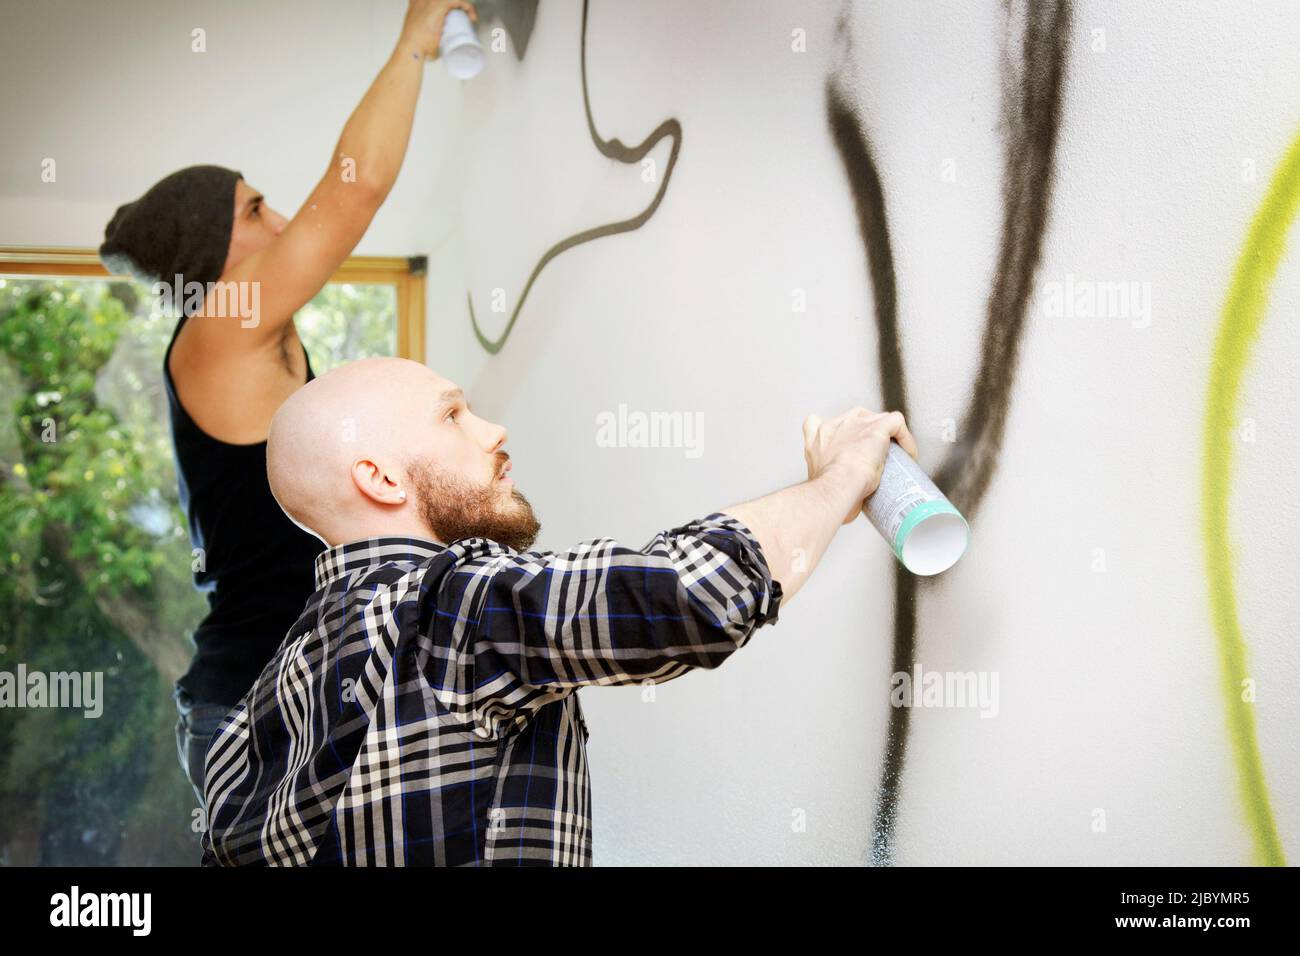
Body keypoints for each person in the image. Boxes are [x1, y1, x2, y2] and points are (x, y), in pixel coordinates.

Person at [200, 356, 918, 866]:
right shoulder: (444, 607)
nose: (493, 431)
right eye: (454, 414)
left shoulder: (257, 706)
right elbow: (693, 596)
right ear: (381, 479)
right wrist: (844, 477)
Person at [94, 1, 478, 809]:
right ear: (213, 261)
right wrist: (416, 38)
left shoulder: (262, 350)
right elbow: (356, 190)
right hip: (252, 705)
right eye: (254, 210)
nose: (279, 220)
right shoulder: (215, 334)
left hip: (296, 694)